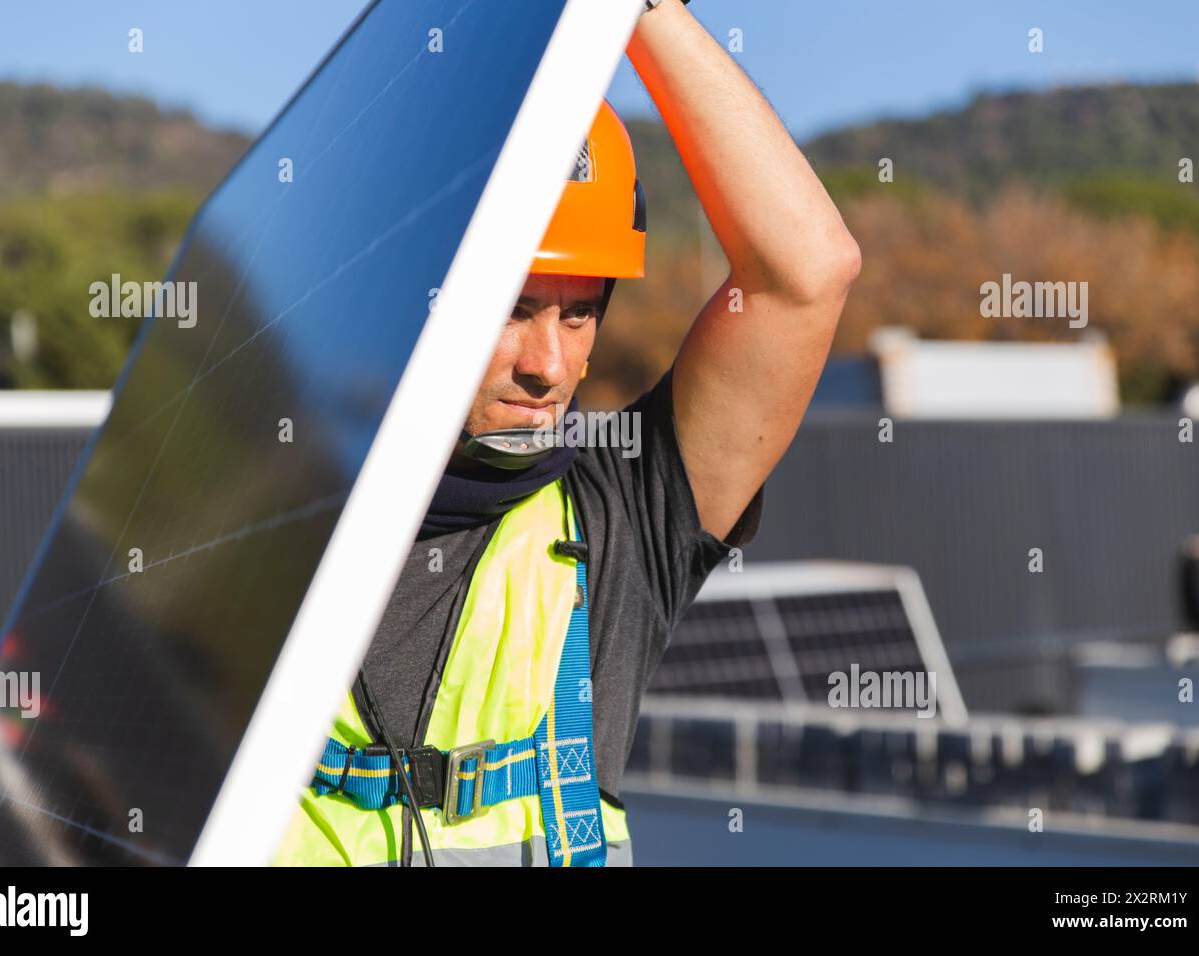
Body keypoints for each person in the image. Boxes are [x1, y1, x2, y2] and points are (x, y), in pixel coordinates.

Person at [274, 0, 860, 866]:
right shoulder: (265, 520)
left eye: (581, 313)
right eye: (512, 308)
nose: (548, 364)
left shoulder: (623, 514)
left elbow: (806, 276)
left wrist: (636, 7)